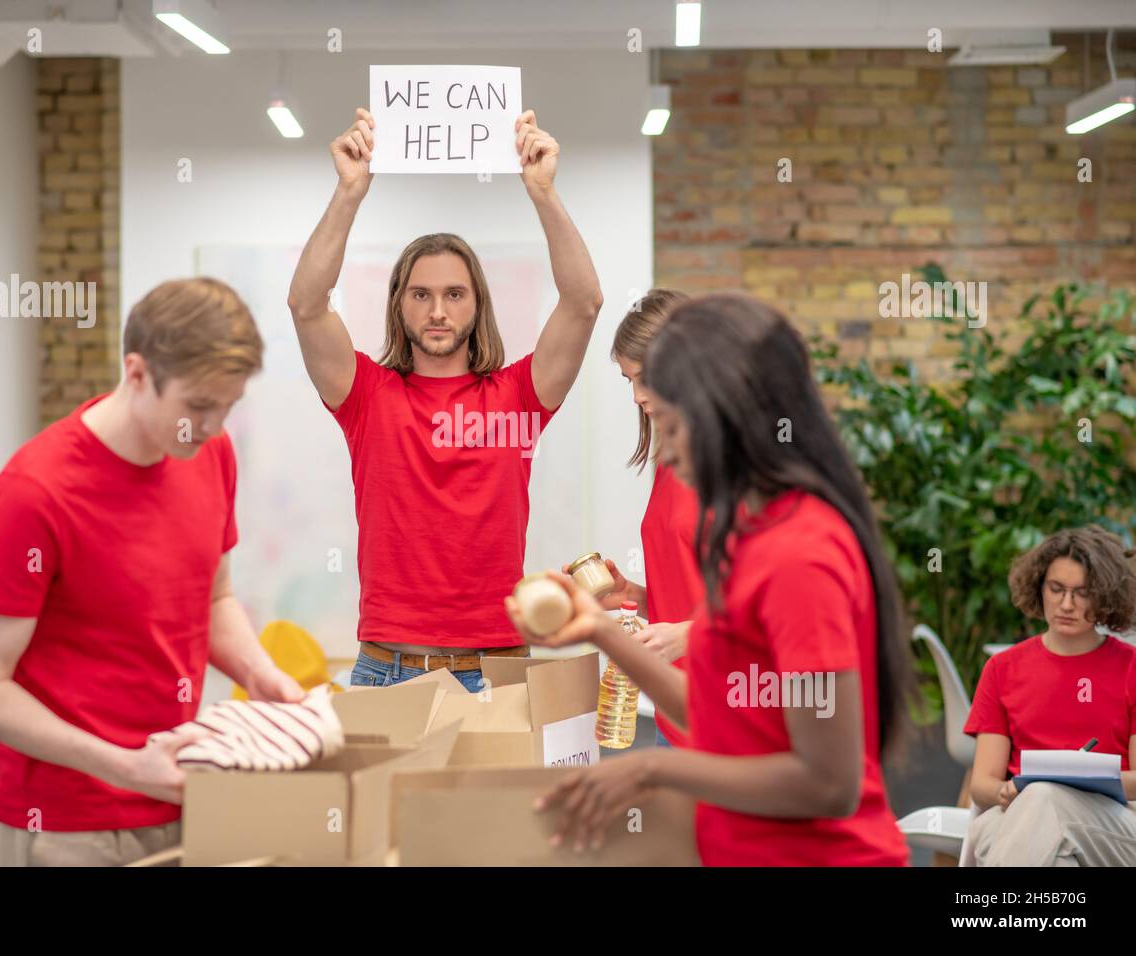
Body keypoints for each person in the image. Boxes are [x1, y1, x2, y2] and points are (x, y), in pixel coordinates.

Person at [506, 293, 915, 866]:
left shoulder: (800, 555)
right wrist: (599, 630)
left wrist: (651, 769)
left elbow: (828, 783)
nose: (666, 453)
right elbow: (716, 710)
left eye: (674, 426)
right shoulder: (755, 541)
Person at [0, 278, 304, 867]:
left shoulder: (209, 453)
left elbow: (213, 597)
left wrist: (258, 672)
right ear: (136, 373)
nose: (213, 425)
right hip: (65, 823)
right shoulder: (32, 494)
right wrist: (125, 767)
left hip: (179, 797)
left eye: (228, 405)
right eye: (198, 406)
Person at [287, 107, 603, 692]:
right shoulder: (365, 395)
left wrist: (542, 192)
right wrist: (350, 191)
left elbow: (583, 303)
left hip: (497, 670)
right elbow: (306, 304)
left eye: (455, 294)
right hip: (386, 669)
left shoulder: (518, 397)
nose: (437, 311)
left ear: (477, 304)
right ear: (399, 304)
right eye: (421, 295)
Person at [565, 288, 699, 747]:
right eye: (628, 381)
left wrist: (690, 637)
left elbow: (775, 607)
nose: (637, 397)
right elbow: (694, 593)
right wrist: (635, 597)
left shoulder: (743, 463)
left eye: (645, 378)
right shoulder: (671, 460)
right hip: (675, 721)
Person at [963, 526, 1136, 866]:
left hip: (1111, 823)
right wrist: (1006, 790)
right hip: (1013, 811)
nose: (1066, 605)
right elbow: (982, 784)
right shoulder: (1002, 669)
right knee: (1053, 849)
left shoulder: (1131, 667)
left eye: (1082, 593)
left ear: (1104, 596)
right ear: (1039, 586)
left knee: (1045, 797)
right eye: (1056, 589)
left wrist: (1070, 784)